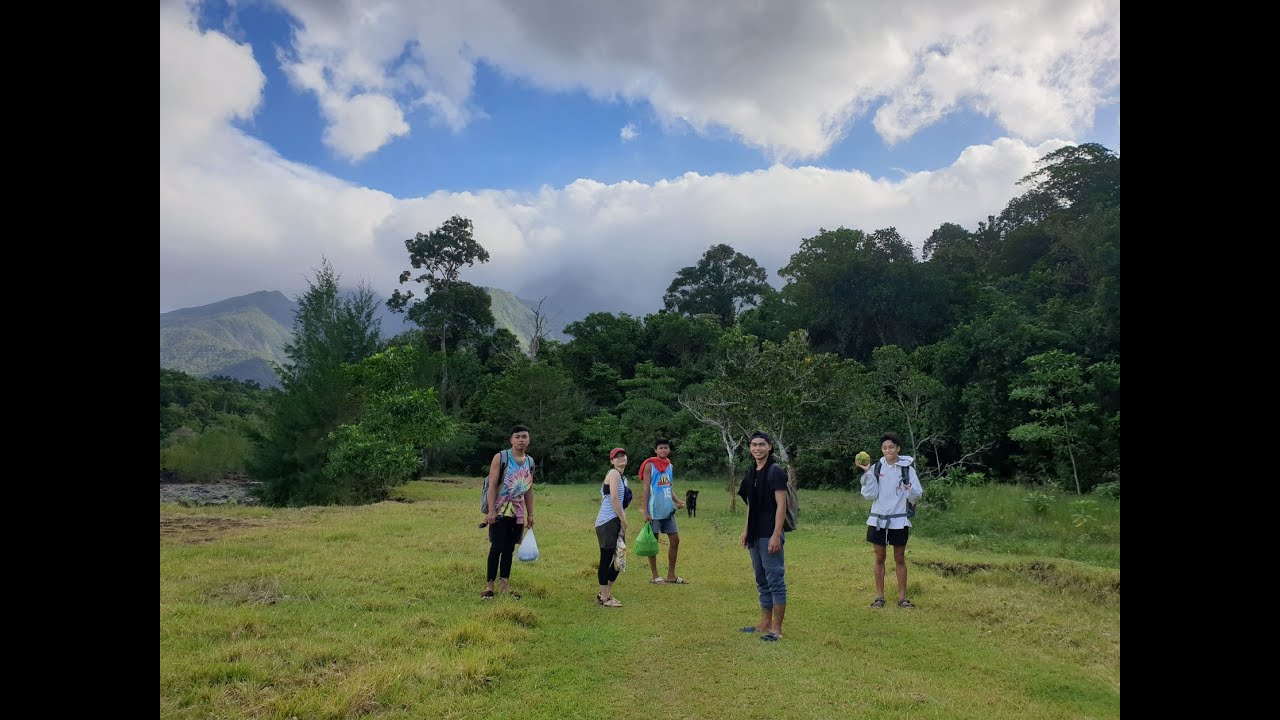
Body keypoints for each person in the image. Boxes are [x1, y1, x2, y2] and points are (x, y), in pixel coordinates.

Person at [857, 432, 923, 609]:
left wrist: (909, 490)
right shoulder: (876, 468)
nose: (888, 450)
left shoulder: (907, 469)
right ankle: (879, 597)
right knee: (879, 557)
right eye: (885, 448)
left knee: (899, 557)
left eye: (891, 447)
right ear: (881, 449)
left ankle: (902, 598)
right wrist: (867, 473)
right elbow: (869, 495)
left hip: (899, 520)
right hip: (878, 519)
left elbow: (917, 495)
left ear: (898, 449)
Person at [737, 432, 789, 641]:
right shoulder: (752, 472)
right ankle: (764, 622)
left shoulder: (775, 472)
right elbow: (751, 505)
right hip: (755, 534)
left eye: (762, 444)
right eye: (754, 444)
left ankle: (776, 628)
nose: (757, 448)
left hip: (769, 533)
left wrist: (777, 534)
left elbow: (781, 505)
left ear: (770, 448)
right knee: (761, 579)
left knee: (775, 579)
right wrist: (746, 530)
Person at [481, 425, 535, 600]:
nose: (521, 440)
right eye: (517, 437)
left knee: (509, 549)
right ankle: (489, 587)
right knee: (496, 547)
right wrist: (491, 511)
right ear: (511, 439)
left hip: (517, 512)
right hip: (499, 509)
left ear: (529, 440)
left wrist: (531, 514)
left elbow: (529, 489)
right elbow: (492, 485)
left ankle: (504, 585)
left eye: (524, 437)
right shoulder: (501, 457)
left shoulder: (530, 462)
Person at [638, 438, 686, 584]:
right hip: (654, 511)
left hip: (668, 510)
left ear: (669, 450)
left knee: (675, 540)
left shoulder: (669, 466)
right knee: (654, 542)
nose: (664, 450)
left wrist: (676, 501)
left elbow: (668, 487)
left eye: (666, 447)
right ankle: (655, 576)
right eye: (661, 447)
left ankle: (671, 575)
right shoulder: (650, 466)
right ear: (655, 450)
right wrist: (645, 511)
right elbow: (646, 489)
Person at [594, 447, 632, 607]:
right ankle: (604, 597)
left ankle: (606, 592)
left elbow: (622, 503)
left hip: (617, 520)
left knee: (620, 557)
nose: (621, 458)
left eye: (623, 455)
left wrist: (623, 520)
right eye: (617, 457)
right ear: (612, 461)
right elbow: (614, 498)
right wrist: (623, 521)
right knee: (607, 558)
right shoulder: (614, 474)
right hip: (608, 521)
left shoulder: (623, 477)